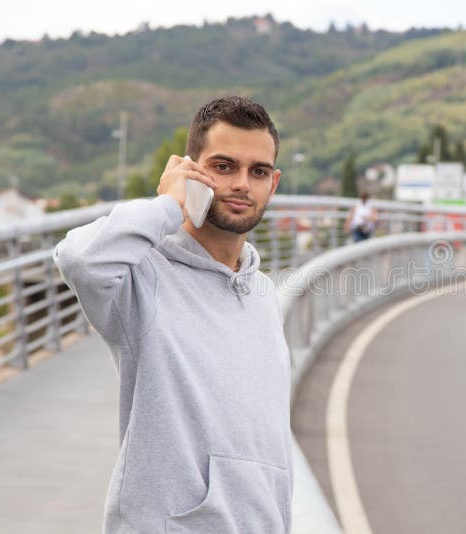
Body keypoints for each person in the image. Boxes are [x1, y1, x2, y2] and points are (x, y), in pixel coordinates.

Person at [54, 96, 292, 534]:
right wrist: (168, 205)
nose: (242, 183)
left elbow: (271, 444)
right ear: (189, 171)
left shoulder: (263, 294)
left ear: (272, 184)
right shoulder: (143, 276)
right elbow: (80, 260)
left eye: (257, 171)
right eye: (223, 166)